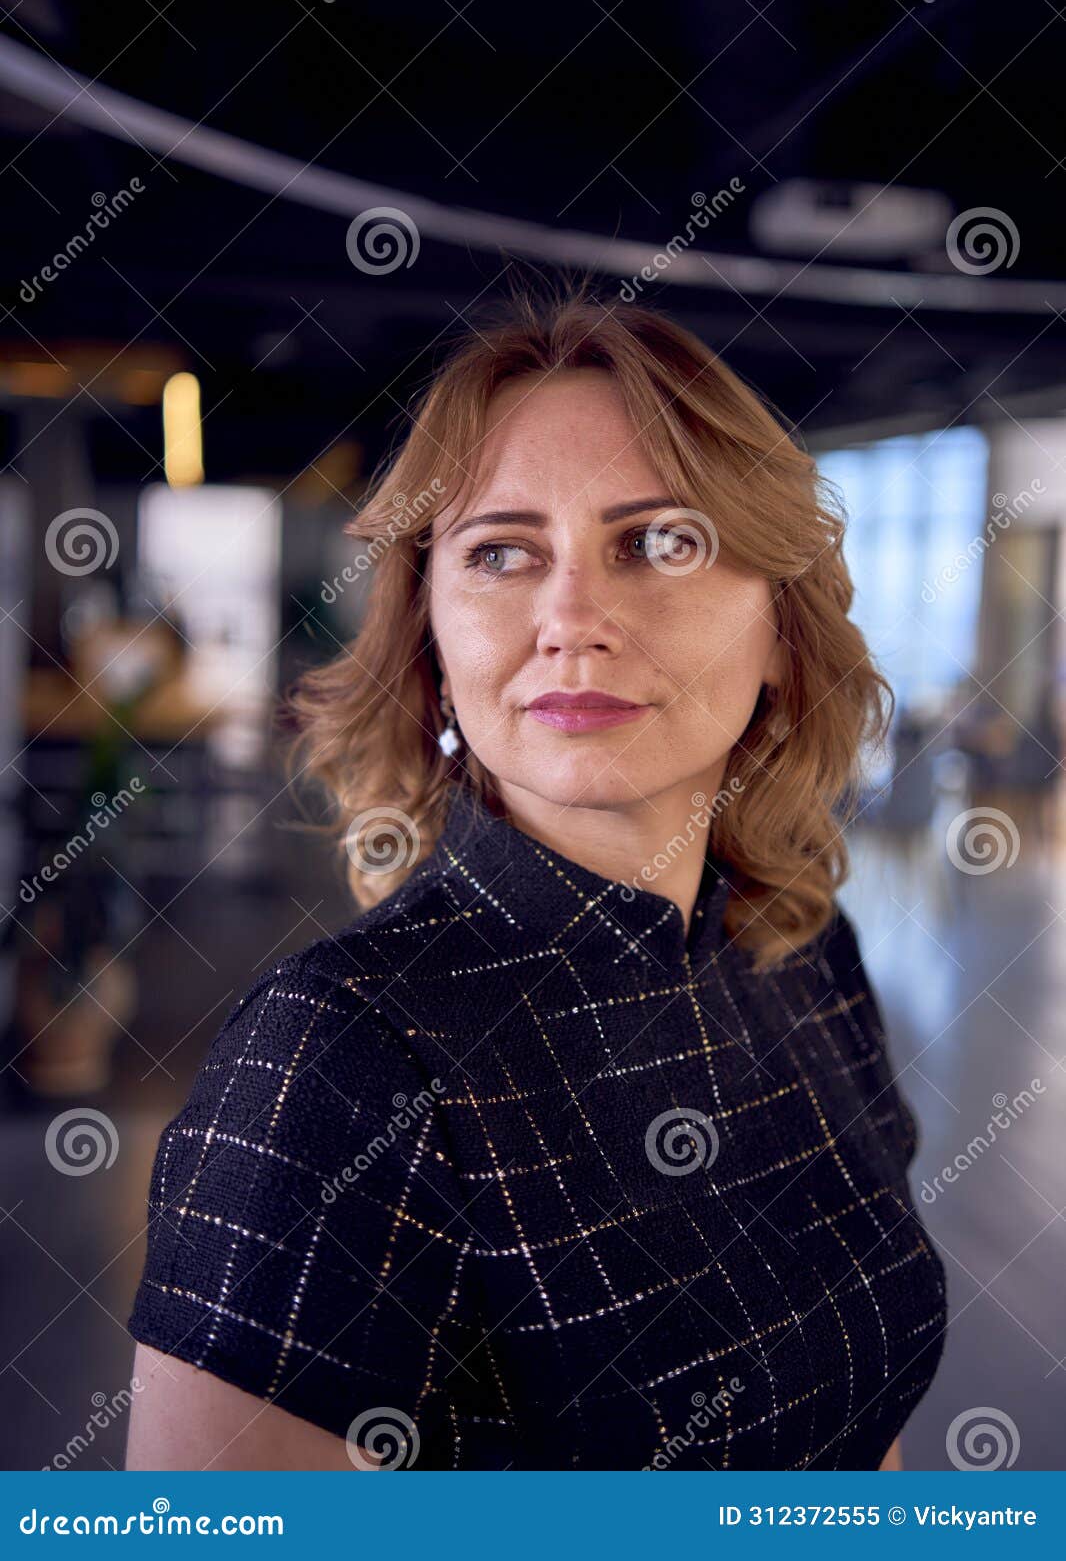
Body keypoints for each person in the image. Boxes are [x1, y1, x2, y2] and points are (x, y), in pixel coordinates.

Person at [124, 288, 946, 1471]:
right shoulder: (335, 1061)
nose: (570, 617)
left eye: (662, 540)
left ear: (779, 626)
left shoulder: (806, 953)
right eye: (501, 552)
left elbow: (865, 1425)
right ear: (432, 640)